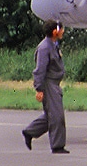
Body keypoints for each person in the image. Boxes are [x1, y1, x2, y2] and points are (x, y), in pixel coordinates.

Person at [22, 20, 68, 153]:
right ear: (55, 32)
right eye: (61, 29)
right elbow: (40, 70)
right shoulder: (44, 48)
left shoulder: (53, 45)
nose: (63, 31)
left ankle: (29, 132)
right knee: (57, 116)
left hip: (54, 84)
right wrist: (39, 89)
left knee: (51, 115)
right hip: (48, 84)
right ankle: (57, 146)